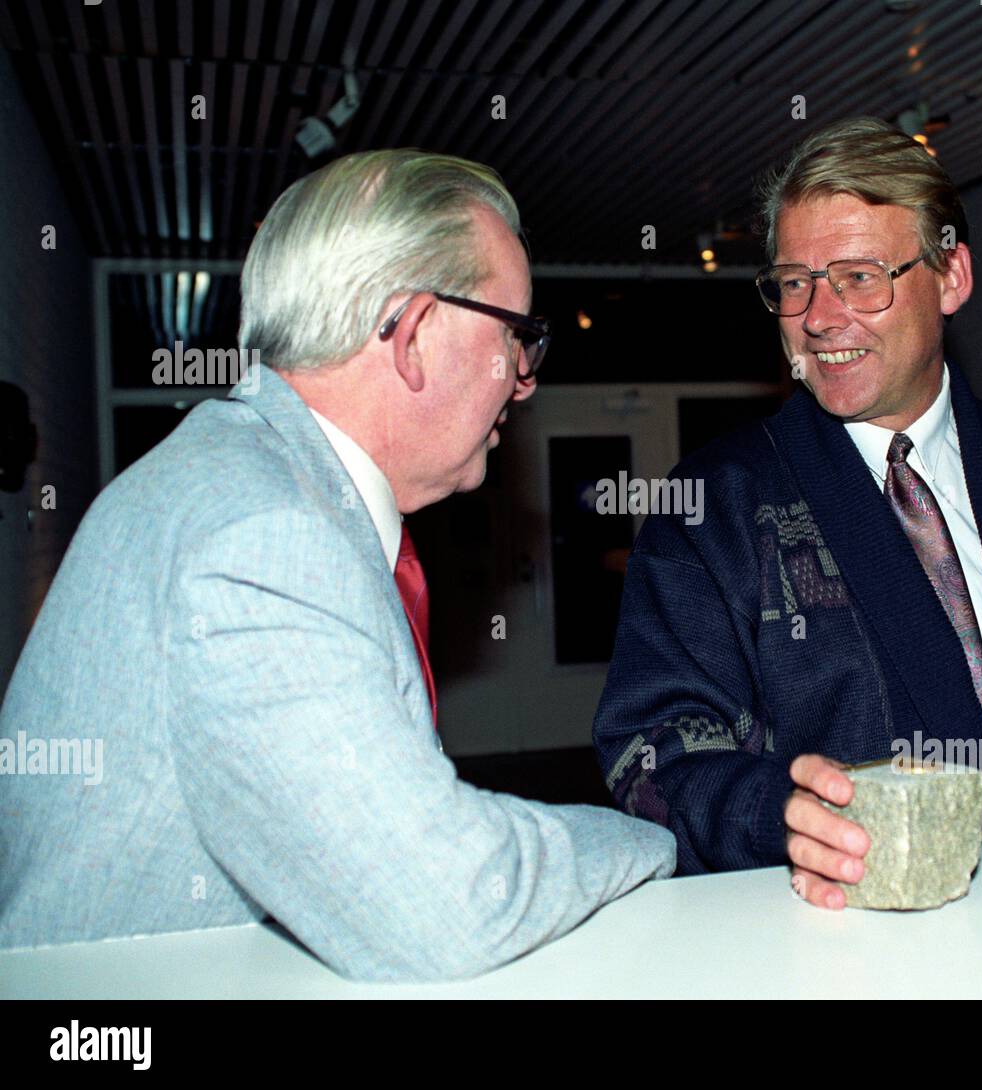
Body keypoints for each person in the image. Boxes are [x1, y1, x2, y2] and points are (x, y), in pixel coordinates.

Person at [0, 149, 675, 978]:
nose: (525, 382)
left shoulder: (251, 480)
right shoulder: (265, 533)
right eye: (519, 336)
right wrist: (656, 842)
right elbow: (441, 903)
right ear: (417, 333)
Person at [592, 117, 982, 908]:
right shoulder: (711, 510)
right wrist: (777, 815)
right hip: (834, 957)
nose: (819, 316)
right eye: (794, 282)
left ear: (951, 274)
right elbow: (652, 752)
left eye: (859, 276)